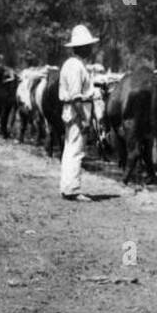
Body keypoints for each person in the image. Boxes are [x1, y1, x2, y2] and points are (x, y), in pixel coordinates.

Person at [59, 24, 100, 202]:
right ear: (82, 47)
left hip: (74, 111)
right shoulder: (76, 67)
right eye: (88, 46)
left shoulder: (72, 64)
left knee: (71, 148)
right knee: (76, 150)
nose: (91, 49)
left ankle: (68, 186)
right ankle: (72, 190)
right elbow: (76, 97)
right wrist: (84, 119)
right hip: (77, 112)